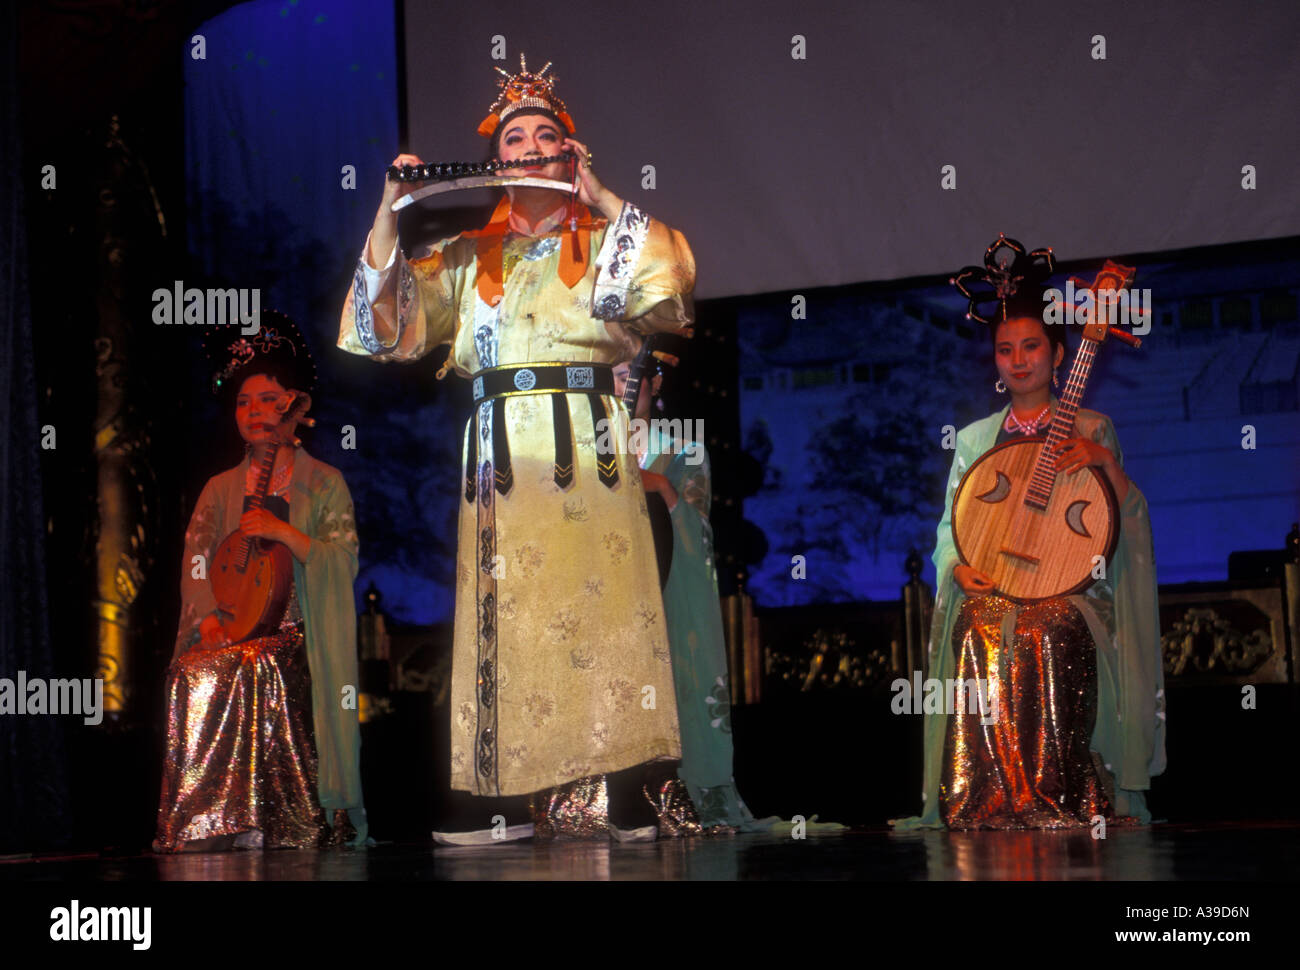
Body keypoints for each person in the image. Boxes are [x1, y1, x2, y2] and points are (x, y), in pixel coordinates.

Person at [338, 55, 694, 838]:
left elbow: (667, 293)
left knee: (602, 615)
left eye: (545, 136)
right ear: (494, 161)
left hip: (587, 446)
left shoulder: (605, 240)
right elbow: (384, 330)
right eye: (513, 138)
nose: (528, 146)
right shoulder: (468, 258)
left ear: (570, 154)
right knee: (509, 615)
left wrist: (597, 194)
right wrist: (392, 209)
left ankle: (617, 791)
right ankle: (503, 801)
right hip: (500, 452)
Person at [893, 236, 1166, 831]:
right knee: (977, 621)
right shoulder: (974, 440)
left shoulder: (1092, 426)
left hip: (1072, 592)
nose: (1019, 360)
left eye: (1032, 347)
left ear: (1059, 354)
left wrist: (1102, 461)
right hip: (995, 581)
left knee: (1051, 626)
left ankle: (1059, 790)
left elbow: (1122, 521)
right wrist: (959, 568)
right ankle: (984, 794)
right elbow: (950, 528)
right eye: (1005, 350)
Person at [154, 314, 367, 851]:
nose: (254, 413)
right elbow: (197, 559)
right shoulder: (219, 487)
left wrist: (285, 533)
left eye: (268, 400)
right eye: (244, 403)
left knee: (260, 664)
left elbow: (342, 560)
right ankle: (209, 816)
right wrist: (206, 620)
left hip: (298, 632)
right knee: (191, 672)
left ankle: (281, 817)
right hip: (228, 626)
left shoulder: (324, 483)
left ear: (297, 406)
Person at [612, 360, 777, 835]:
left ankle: (674, 797)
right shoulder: (582, 450)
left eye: (631, 377)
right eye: (614, 377)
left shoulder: (682, 447)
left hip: (666, 595)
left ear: (655, 382)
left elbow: (697, 534)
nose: (622, 389)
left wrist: (658, 486)